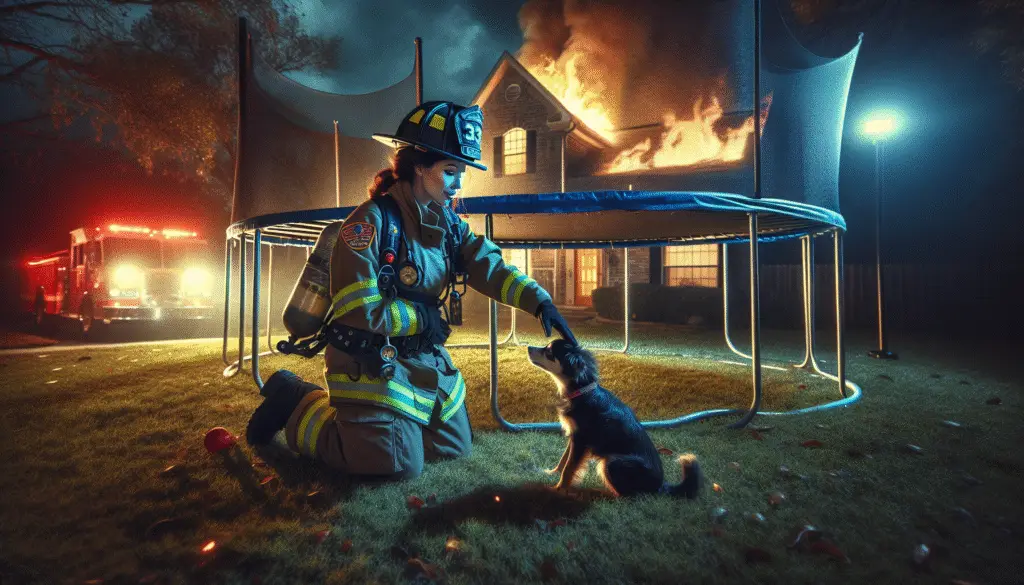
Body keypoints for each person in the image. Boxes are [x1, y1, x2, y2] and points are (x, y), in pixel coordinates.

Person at [246, 101, 576, 480]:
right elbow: (359, 308)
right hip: (370, 359)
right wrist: (424, 317)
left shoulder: (448, 223)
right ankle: (297, 403)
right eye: (450, 171)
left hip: (421, 358)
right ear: (419, 166)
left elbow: (489, 265)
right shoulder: (368, 223)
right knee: (396, 466)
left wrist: (538, 300)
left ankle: (391, 429)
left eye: (461, 173)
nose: (458, 184)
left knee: (453, 448)